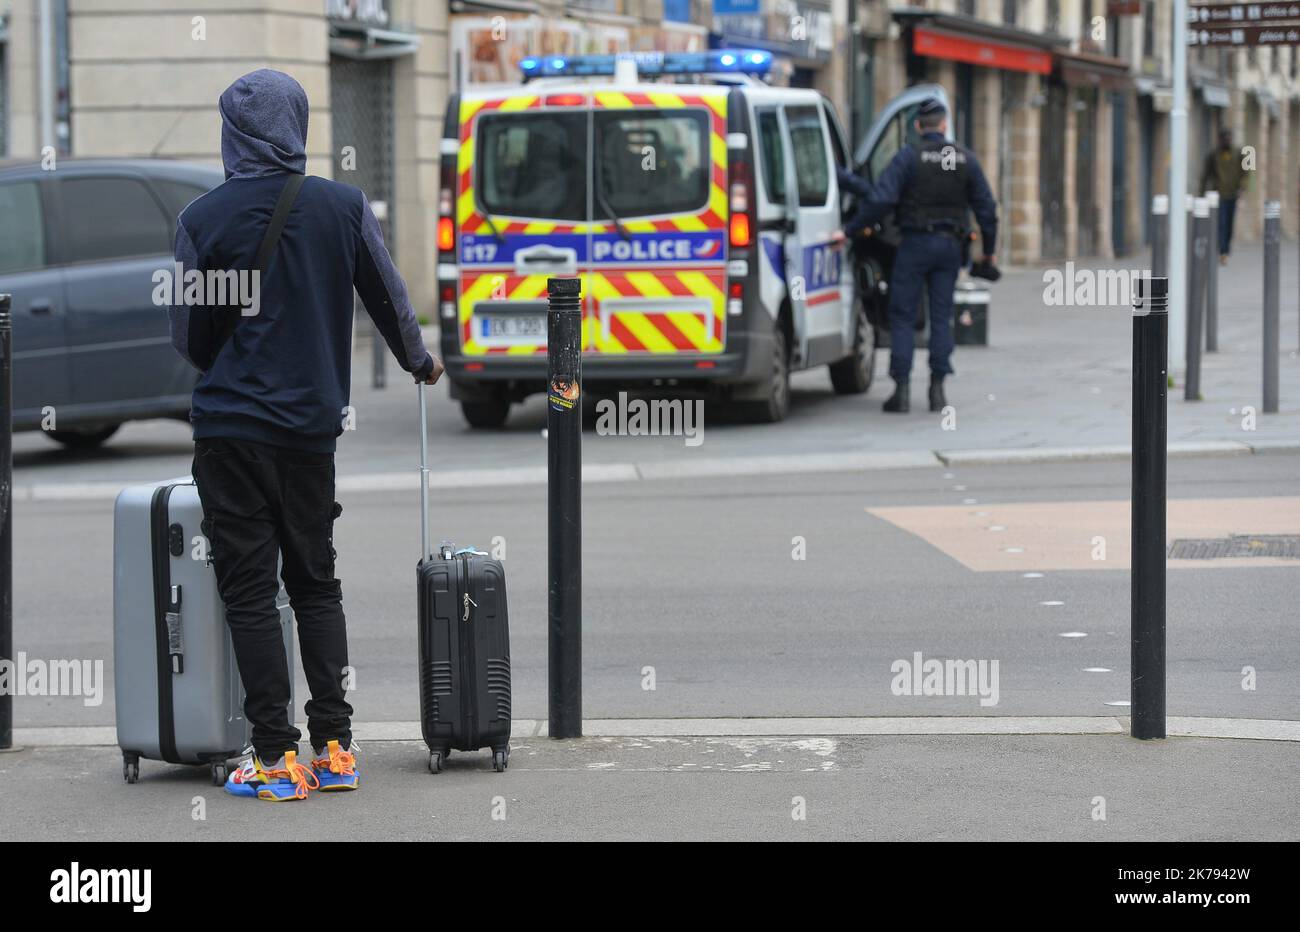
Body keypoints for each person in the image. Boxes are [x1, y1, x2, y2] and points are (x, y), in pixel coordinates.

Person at [168, 70, 443, 801]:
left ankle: (276, 759)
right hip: (310, 434)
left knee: (252, 595)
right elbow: (388, 294)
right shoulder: (341, 207)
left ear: (233, 133)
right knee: (317, 586)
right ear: (298, 126)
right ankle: (336, 748)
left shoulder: (204, 220)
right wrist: (419, 361)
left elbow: (193, 340)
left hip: (229, 433)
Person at [832, 98, 998, 414]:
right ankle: (937, 389)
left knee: (903, 315)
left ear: (919, 127)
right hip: (950, 247)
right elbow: (987, 209)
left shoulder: (909, 158)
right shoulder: (964, 159)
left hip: (914, 244)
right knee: (941, 316)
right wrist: (988, 253)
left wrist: (851, 230)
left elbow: (880, 199)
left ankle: (902, 390)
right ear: (945, 126)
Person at [1200, 128, 1247, 264]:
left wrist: (1242, 187)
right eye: (1224, 138)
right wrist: (1201, 194)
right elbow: (1205, 175)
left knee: (1229, 225)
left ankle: (1225, 248)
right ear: (1220, 139)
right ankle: (1222, 251)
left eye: (1228, 138)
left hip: (1232, 194)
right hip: (1218, 195)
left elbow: (1246, 172)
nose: (1226, 140)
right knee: (1221, 223)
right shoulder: (1213, 154)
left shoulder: (1238, 153)